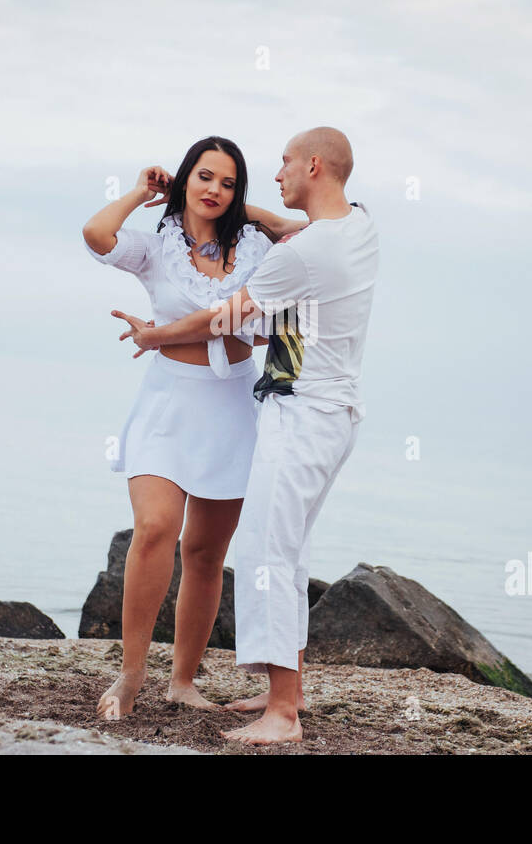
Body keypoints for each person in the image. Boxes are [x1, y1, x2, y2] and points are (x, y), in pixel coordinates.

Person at [112, 127, 379, 744]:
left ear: (313, 165)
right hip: (332, 412)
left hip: (301, 410)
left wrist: (155, 335)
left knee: (265, 554)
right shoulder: (360, 227)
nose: (277, 175)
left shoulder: (300, 255)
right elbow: (296, 227)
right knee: (287, 553)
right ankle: (285, 689)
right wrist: (243, 210)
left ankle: (282, 712)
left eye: (285, 164)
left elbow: (228, 316)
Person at [82, 135, 304, 720]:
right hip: (168, 403)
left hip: (233, 403)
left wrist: (246, 212)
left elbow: (300, 232)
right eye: (204, 177)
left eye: (229, 183)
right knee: (155, 528)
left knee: (206, 554)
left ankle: (182, 681)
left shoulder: (255, 247)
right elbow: (96, 235)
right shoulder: (157, 248)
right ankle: (131, 676)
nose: (215, 190)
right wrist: (141, 192)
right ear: (184, 180)